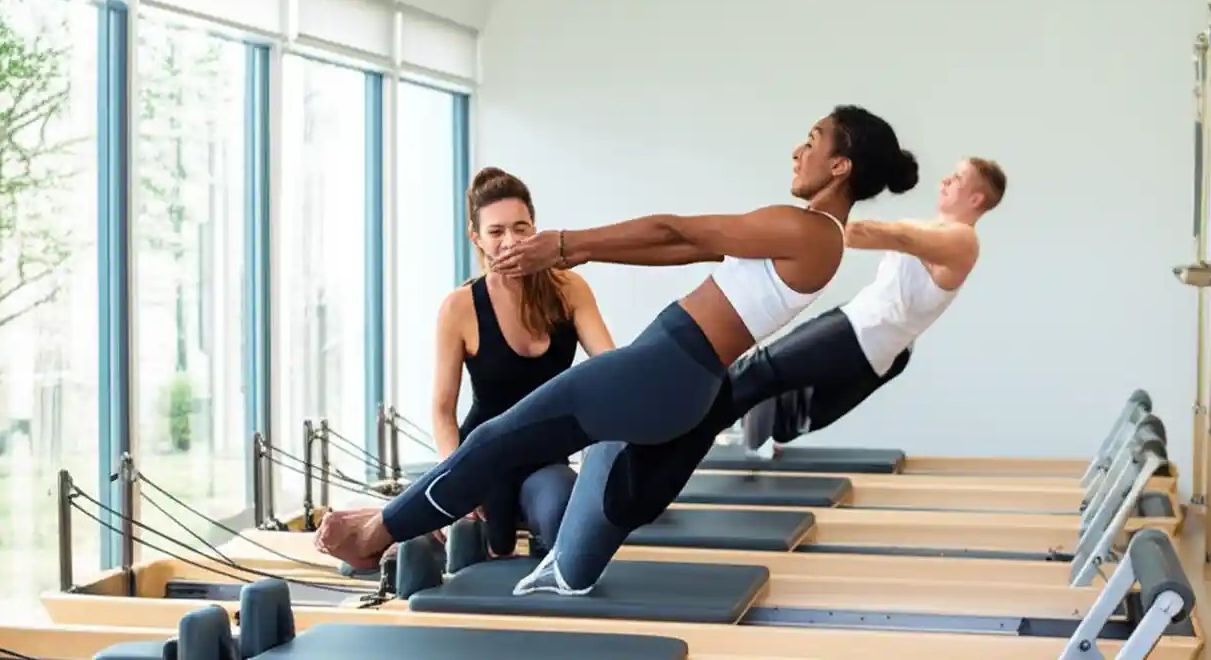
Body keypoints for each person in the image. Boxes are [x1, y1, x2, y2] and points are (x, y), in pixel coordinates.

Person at [314, 105, 919, 597]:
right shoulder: (809, 234)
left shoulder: (809, 231)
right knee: (511, 453)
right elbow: (683, 250)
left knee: (492, 440)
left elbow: (677, 229)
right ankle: (532, 559)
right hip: (669, 370)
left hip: (666, 369)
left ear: (840, 165)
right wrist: (580, 252)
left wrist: (568, 243)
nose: (798, 149)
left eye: (812, 140)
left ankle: (376, 533)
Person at [730, 156, 1007, 452]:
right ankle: (744, 438)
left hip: (861, 332)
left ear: (976, 198)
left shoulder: (963, 240)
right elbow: (867, 234)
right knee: (785, 412)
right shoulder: (924, 228)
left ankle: (691, 424)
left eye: (957, 178)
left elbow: (890, 235)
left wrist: (814, 221)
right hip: (879, 347)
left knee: (758, 370)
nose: (945, 180)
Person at [430, 166, 615, 557]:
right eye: (496, 232)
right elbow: (442, 410)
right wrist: (455, 478)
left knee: (560, 511)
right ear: (476, 238)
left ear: (535, 228)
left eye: (521, 228)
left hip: (545, 460)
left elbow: (611, 371)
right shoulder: (459, 307)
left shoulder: (569, 290)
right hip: (482, 460)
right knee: (481, 546)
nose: (510, 241)